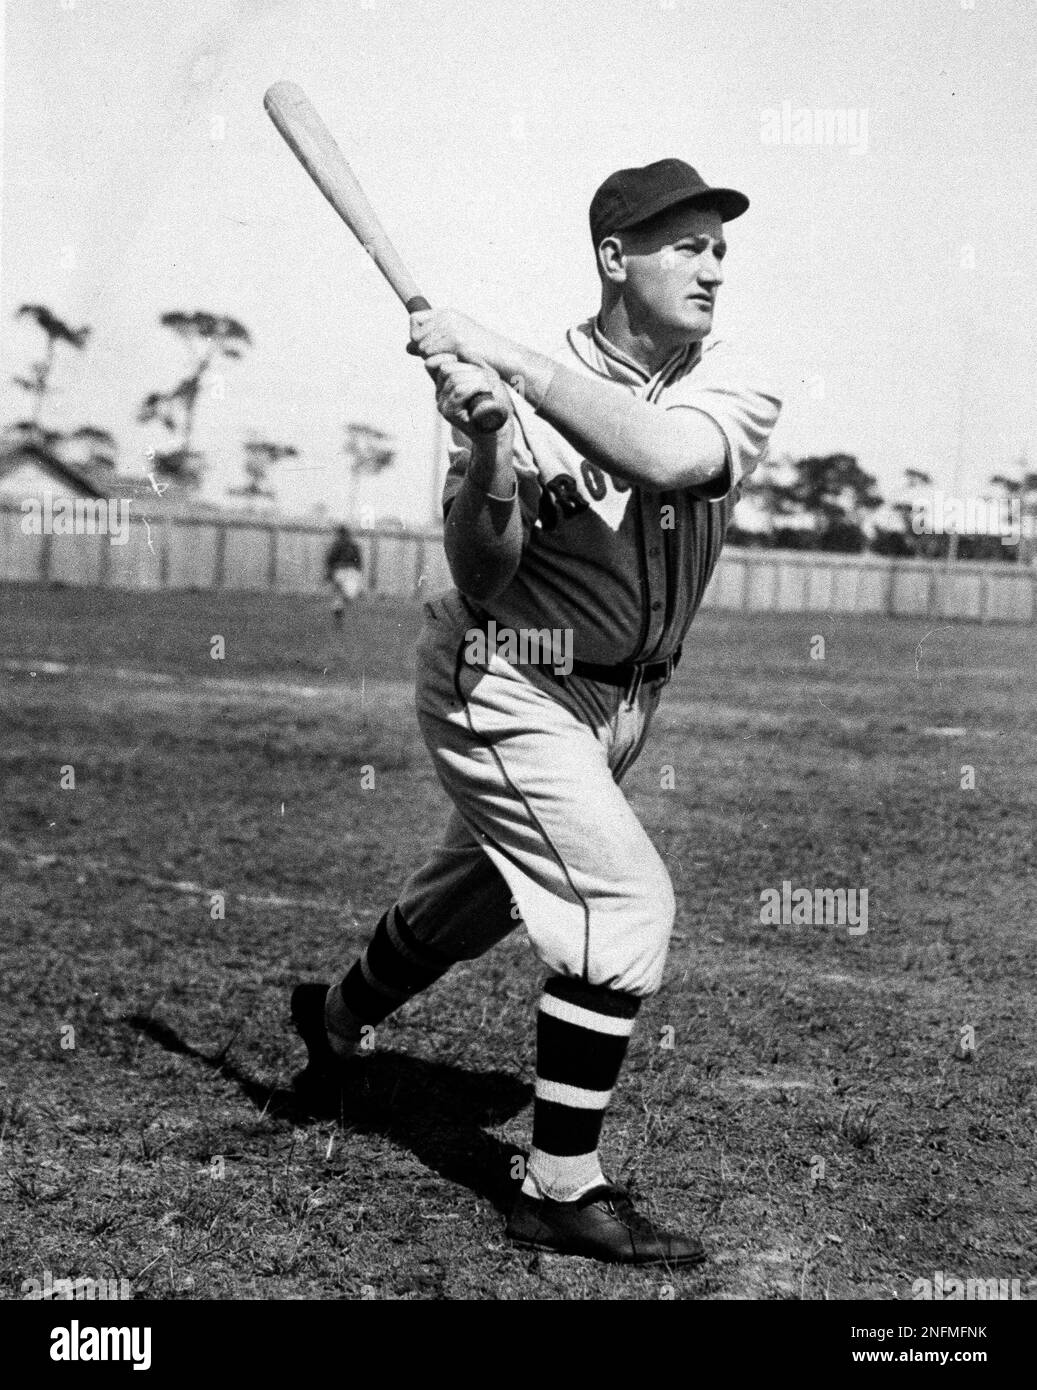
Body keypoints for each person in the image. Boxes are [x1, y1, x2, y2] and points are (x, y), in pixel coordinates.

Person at [292, 158, 782, 1264]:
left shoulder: (734, 375)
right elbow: (483, 564)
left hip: (621, 700)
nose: (710, 266)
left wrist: (498, 358)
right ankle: (558, 1186)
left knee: (473, 900)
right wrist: (486, 448)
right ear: (614, 258)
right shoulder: (519, 390)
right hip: (505, 674)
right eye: (684, 244)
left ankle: (332, 1019)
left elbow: (663, 451)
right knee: (619, 899)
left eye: (718, 248)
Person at [324, 524, 363, 624]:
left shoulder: (353, 546)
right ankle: (338, 620)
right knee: (341, 597)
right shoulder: (336, 546)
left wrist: (358, 573)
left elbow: (359, 562)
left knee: (347, 596)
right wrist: (329, 573)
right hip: (341, 571)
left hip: (349, 572)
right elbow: (330, 561)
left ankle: (338, 616)